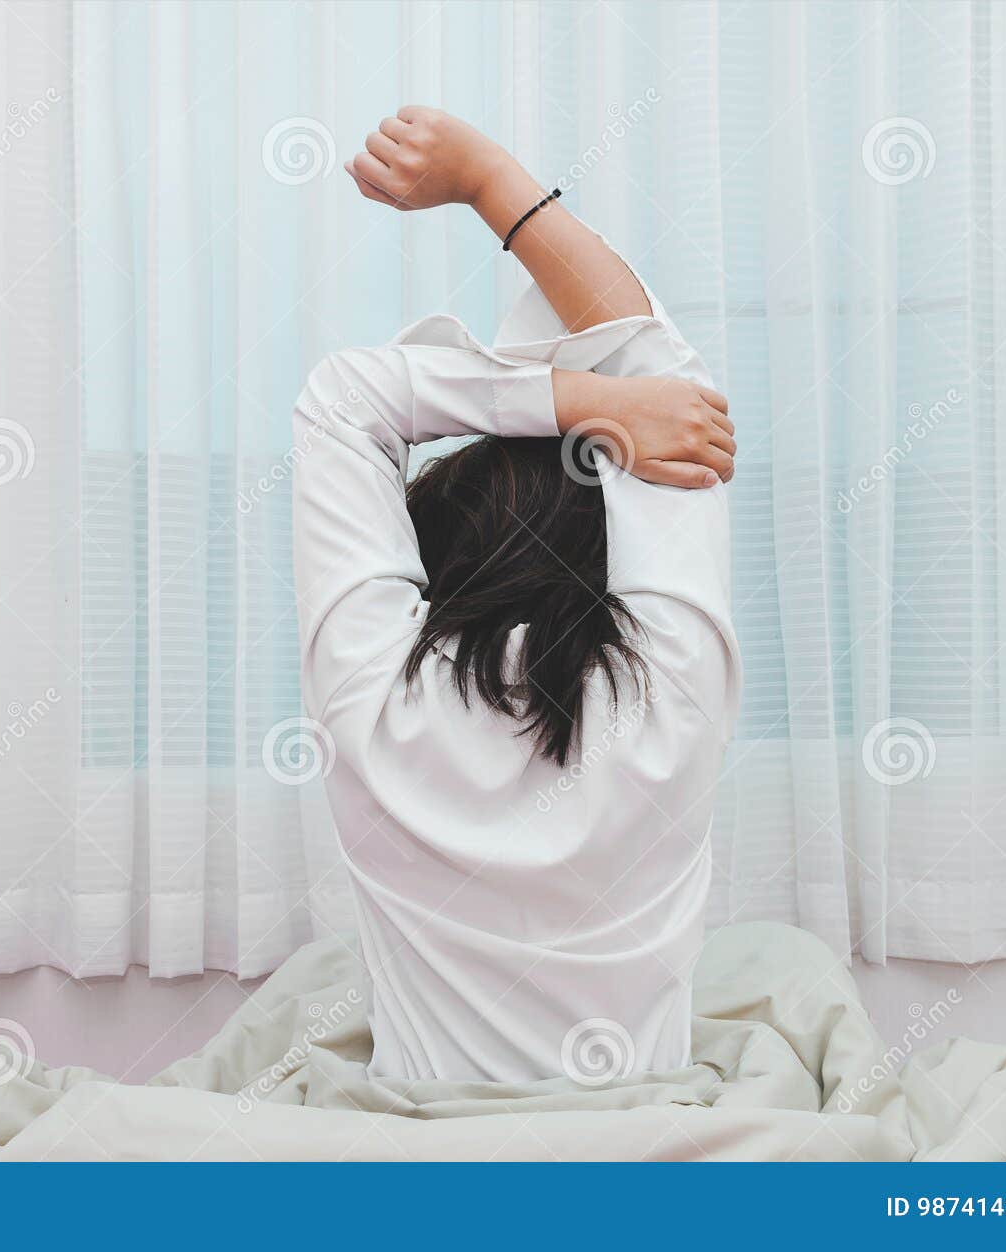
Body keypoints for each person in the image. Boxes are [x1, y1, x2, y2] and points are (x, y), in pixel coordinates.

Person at [292, 106, 741, 1084]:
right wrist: (489, 178)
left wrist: (586, 405)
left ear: (432, 564)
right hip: (640, 1144)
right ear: (615, 548)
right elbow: (666, 386)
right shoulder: (677, 686)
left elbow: (344, 399)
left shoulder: (371, 702)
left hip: (429, 1147)